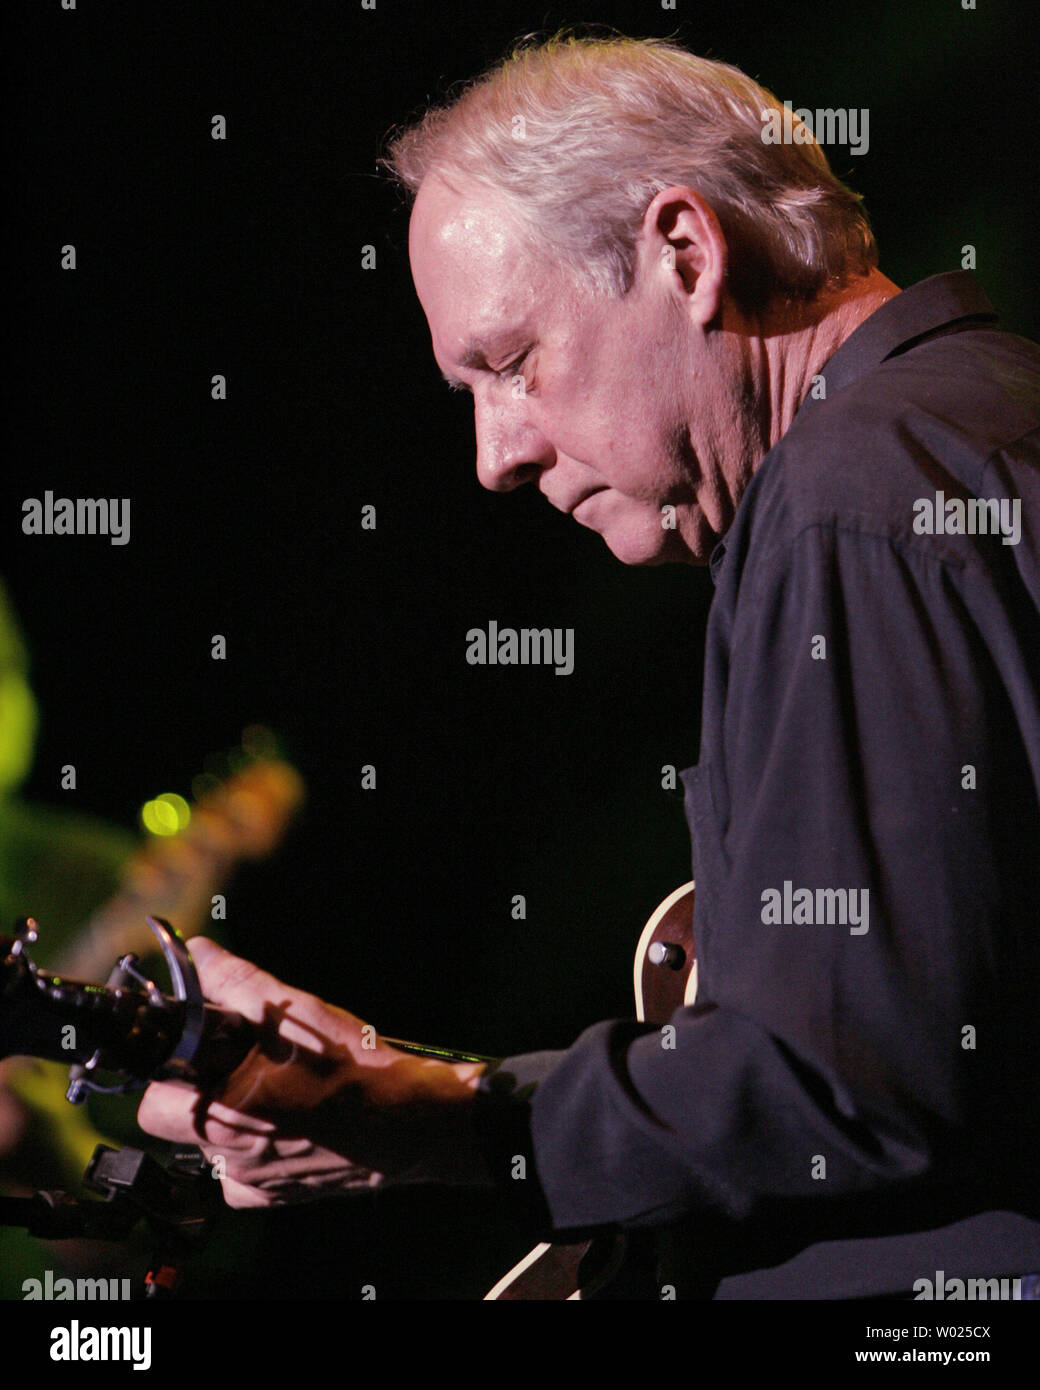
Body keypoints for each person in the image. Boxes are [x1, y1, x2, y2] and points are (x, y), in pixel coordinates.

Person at [138, 35, 1040, 1298]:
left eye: (507, 366)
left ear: (684, 251)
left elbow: (845, 1078)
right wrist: (423, 1094)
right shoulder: (975, 421)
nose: (491, 457)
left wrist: (436, 1122)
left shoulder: (850, 490)